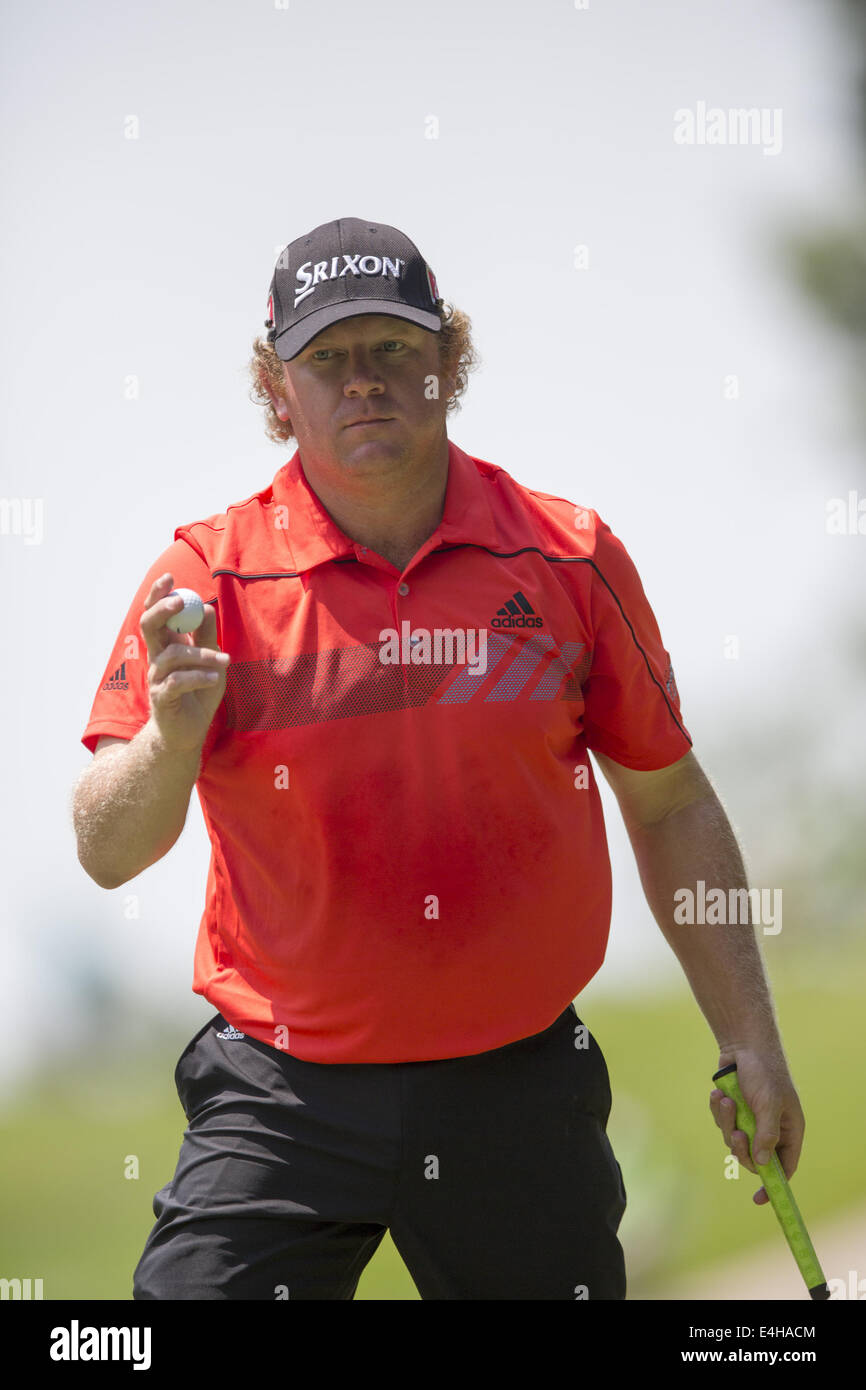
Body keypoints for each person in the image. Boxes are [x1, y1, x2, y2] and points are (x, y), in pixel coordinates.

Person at [73, 216, 805, 1300]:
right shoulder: (206, 578)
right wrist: (170, 744)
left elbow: (666, 803)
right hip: (281, 1098)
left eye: (392, 351)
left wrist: (747, 1033)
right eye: (326, 359)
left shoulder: (566, 555)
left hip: (514, 1089)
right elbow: (105, 847)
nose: (361, 382)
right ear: (278, 387)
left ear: (447, 363)